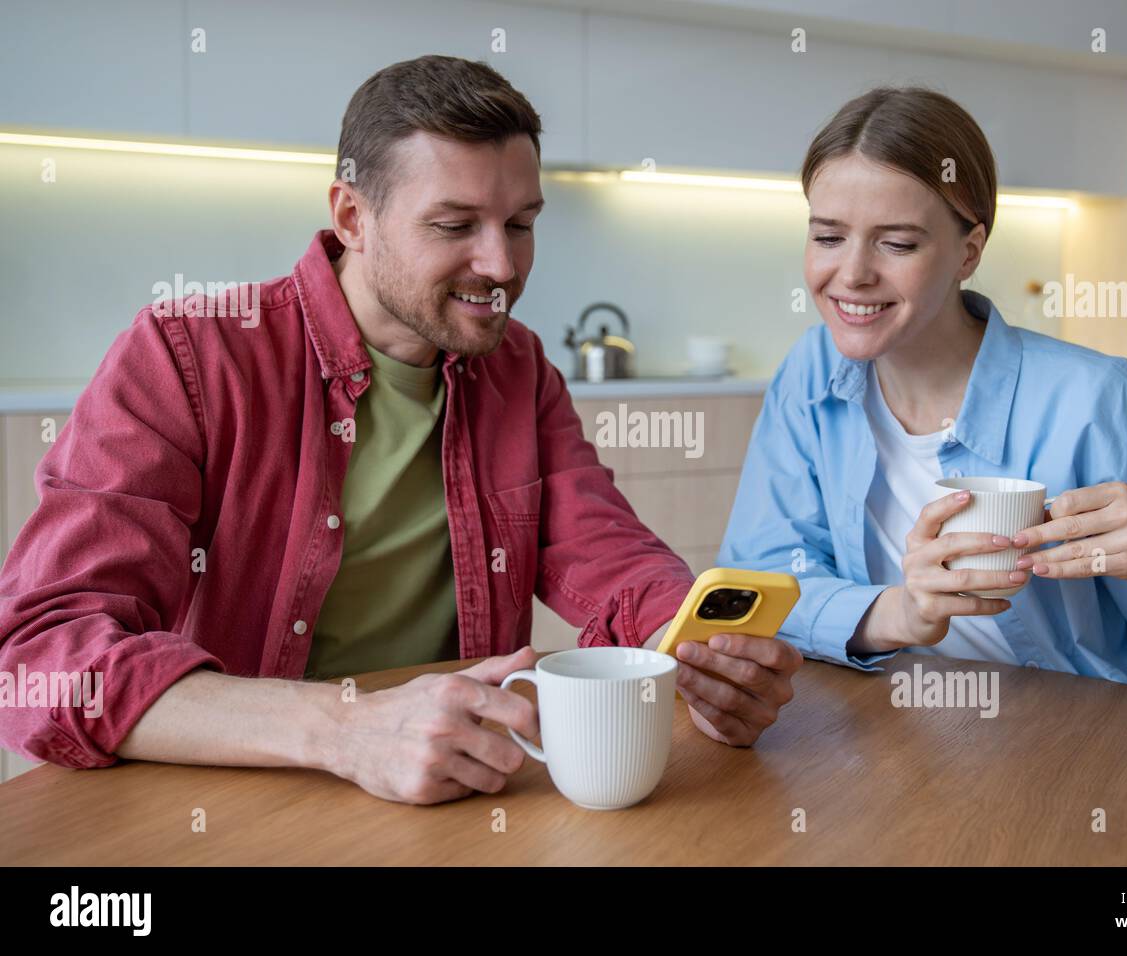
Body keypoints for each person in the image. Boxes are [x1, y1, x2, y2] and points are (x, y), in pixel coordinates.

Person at [0, 56, 801, 803]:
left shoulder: (516, 369)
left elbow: (607, 550)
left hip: (450, 792)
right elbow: (40, 656)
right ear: (352, 214)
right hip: (234, 797)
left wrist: (695, 647)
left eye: (521, 223)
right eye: (455, 226)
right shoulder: (187, 354)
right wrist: (346, 728)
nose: (501, 267)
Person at [718, 87, 1127, 718]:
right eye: (828, 236)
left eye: (898, 244)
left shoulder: (1093, 400)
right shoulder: (811, 372)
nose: (851, 274)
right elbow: (759, 588)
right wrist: (902, 613)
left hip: (1121, 749)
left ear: (969, 250)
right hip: (928, 744)